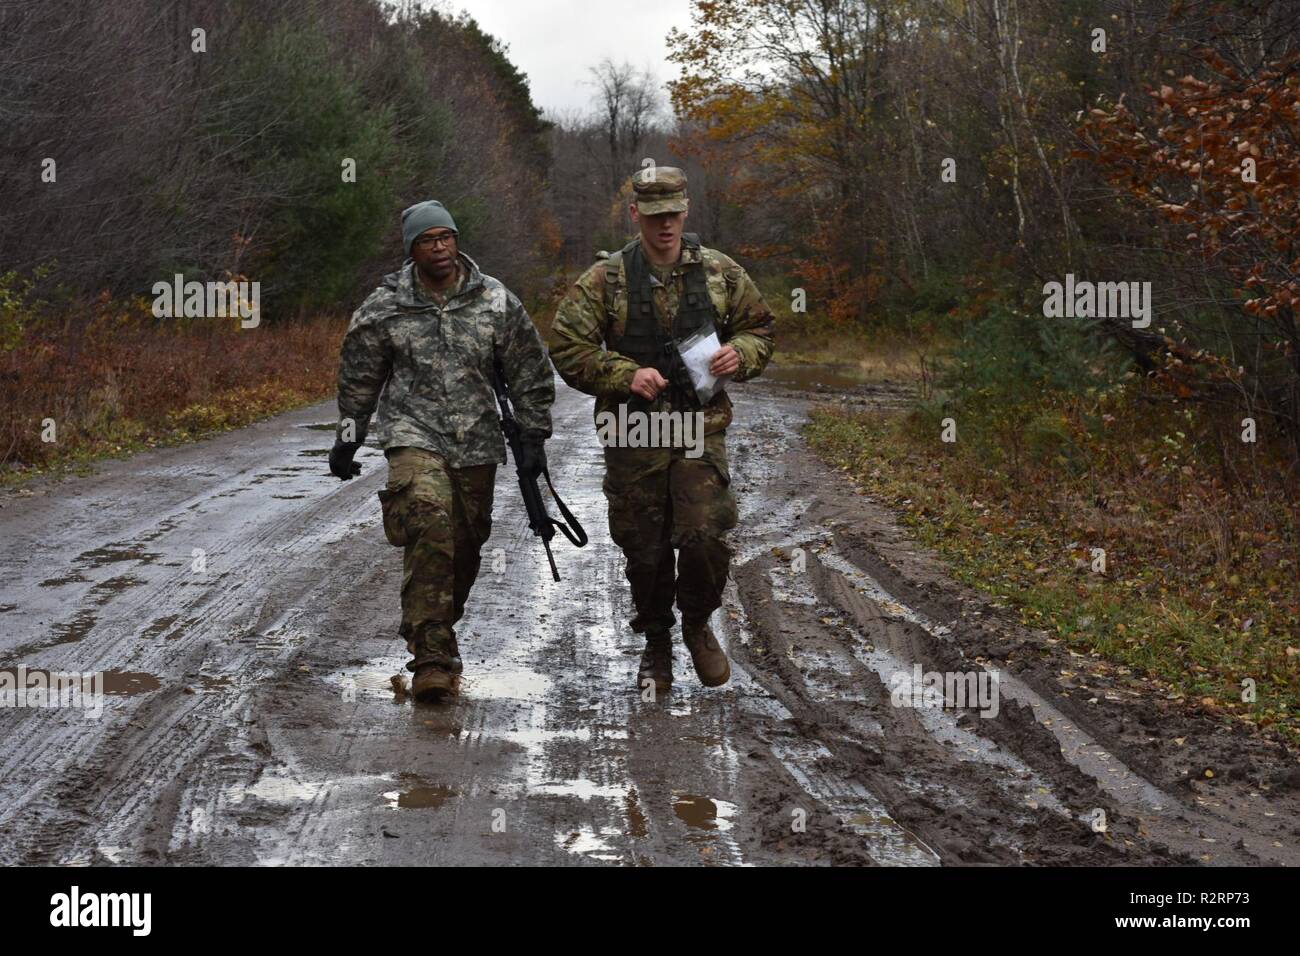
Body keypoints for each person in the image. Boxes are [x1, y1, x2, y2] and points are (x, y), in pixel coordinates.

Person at [547, 167, 775, 694]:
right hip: (633, 432)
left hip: (698, 427)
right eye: (654, 216)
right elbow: (567, 346)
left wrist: (739, 354)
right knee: (645, 550)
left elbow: (759, 328)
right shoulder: (605, 280)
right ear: (635, 215)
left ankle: (697, 623)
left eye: (673, 213)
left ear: (686, 209)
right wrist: (624, 374)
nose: (665, 224)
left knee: (704, 535)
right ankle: (656, 640)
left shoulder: (721, 272)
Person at [329, 200, 554, 702]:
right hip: (413, 434)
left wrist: (534, 435)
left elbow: (529, 369)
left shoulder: (493, 299)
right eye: (428, 240)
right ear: (412, 249)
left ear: (456, 241)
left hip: (477, 441)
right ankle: (431, 657)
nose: (440, 247)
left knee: (466, 546)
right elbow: (360, 378)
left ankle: (436, 628)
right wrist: (349, 437)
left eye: (446, 237)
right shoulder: (386, 305)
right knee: (429, 521)